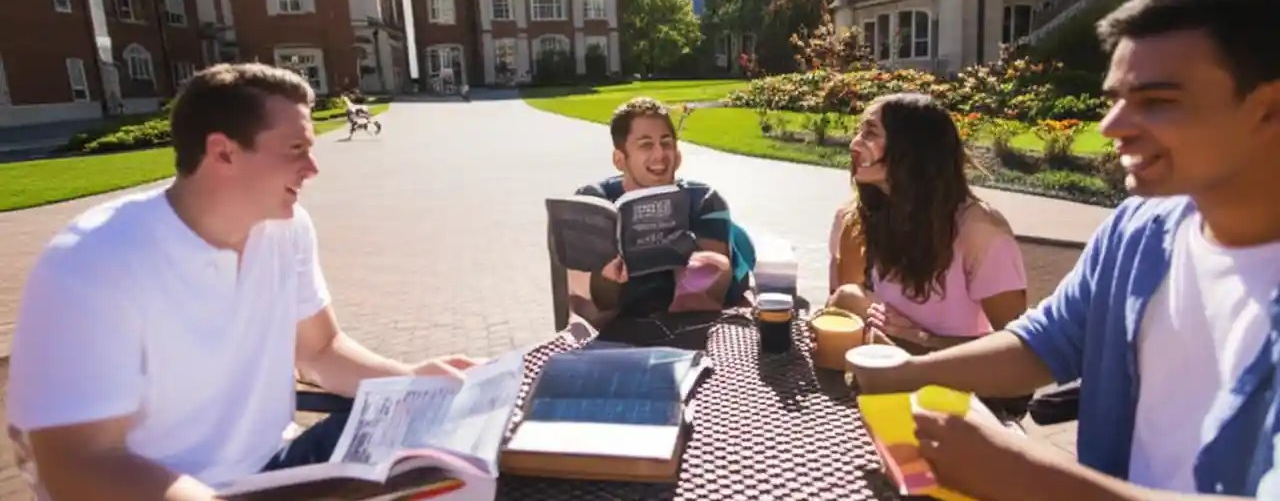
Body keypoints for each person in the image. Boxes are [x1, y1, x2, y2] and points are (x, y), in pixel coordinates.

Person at [848, 0, 1280, 499]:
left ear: (1269, 109)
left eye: (1158, 100)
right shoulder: (1135, 234)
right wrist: (901, 375)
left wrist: (1020, 474)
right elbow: (1041, 344)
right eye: (1116, 97)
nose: (1112, 126)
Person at [7, 63, 475, 500]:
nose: (313, 168)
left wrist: (411, 381)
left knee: (460, 442)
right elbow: (77, 462)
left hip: (280, 467)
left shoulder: (286, 229)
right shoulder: (94, 262)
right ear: (223, 152)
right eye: (296, 150)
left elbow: (319, 349)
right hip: (187, 491)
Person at [826, 93, 1028, 356]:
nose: (855, 144)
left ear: (913, 149)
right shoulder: (858, 217)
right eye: (859, 132)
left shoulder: (980, 231)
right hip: (885, 375)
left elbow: (1019, 352)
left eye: (870, 134)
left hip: (958, 388)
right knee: (848, 297)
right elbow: (839, 309)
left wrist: (923, 340)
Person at [568, 97, 747, 323]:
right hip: (611, 318)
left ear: (678, 154)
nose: (660, 155)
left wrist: (684, 253)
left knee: (712, 265)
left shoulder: (704, 199)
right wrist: (607, 276)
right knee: (587, 275)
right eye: (645, 145)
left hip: (688, 319)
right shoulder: (593, 198)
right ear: (620, 159)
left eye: (666, 143)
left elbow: (717, 273)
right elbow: (579, 291)